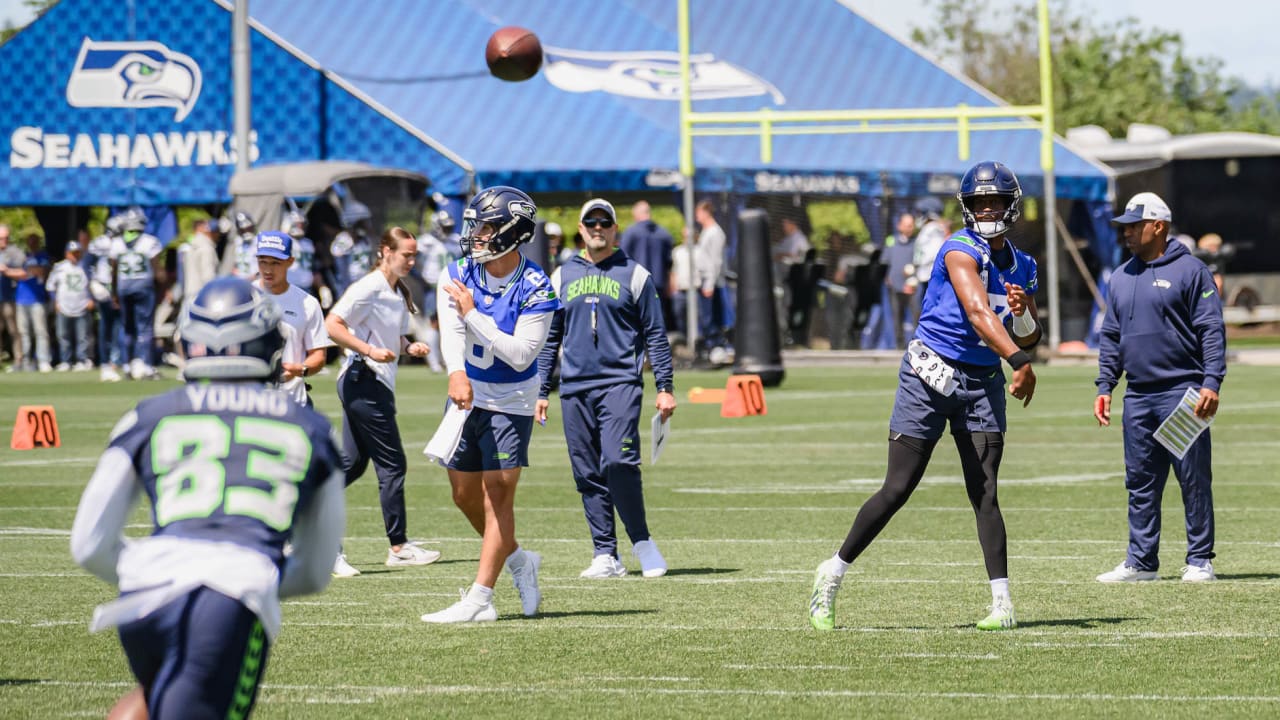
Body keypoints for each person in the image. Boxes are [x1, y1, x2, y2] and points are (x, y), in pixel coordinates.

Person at [70, 276, 346, 720]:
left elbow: (88, 544)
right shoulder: (311, 427)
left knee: (155, 699)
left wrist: (155, 565)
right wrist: (235, 574)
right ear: (269, 342)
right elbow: (315, 570)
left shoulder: (148, 415)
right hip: (229, 595)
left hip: (144, 591)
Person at [808, 160, 1039, 632]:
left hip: (981, 382)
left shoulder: (1024, 264)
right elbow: (977, 313)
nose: (987, 209)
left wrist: (1022, 315)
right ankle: (833, 571)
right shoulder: (959, 249)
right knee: (898, 487)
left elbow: (1031, 333)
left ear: (1011, 205)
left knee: (985, 490)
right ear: (967, 207)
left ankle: (1003, 604)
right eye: (979, 202)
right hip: (930, 374)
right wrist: (1018, 360)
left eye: (995, 201)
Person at [421, 185, 560, 623]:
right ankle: (519, 559)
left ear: (513, 231)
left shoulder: (536, 286)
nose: (477, 234)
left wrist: (473, 314)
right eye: (477, 226)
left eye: (487, 226)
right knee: (463, 495)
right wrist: (455, 372)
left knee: (496, 495)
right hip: (467, 392)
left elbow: (521, 355)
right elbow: (451, 332)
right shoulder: (458, 271)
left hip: (512, 398)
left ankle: (480, 599)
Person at [535, 198, 676, 579]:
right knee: (586, 471)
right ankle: (605, 553)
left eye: (604, 222)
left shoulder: (635, 274)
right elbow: (550, 337)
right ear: (581, 229)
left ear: (615, 229)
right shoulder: (562, 276)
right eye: (591, 222)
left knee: (618, 461)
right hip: (574, 387)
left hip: (620, 383)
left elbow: (655, 335)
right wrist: (541, 390)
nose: (598, 228)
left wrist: (665, 387)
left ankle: (643, 543)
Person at [1094, 192, 1226, 584]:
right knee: (1139, 482)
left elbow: (1211, 329)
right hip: (1137, 395)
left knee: (1193, 479)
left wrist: (1211, 381)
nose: (1127, 233)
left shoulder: (1192, 271)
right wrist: (1105, 385)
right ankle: (1141, 562)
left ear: (1158, 226)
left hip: (1183, 392)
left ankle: (1200, 560)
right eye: (1125, 227)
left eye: (1135, 226)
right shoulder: (1120, 276)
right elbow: (1111, 336)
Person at [325, 226, 438, 577]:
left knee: (353, 464)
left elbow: (393, 336)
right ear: (386, 252)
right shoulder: (369, 287)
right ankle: (399, 547)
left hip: (373, 383)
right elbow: (333, 324)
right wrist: (369, 350)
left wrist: (409, 347)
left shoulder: (394, 291)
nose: (412, 261)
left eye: (414, 255)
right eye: (406, 254)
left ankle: (304, 502)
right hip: (364, 381)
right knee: (393, 465)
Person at [255, 231, 332, 406]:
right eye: (262, 262)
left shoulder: (308, 303)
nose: (268, 270)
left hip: (293, 403)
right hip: (252, 403)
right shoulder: (244, 297)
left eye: (276, 263)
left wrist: (300, 370)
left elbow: (318, 356)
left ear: (290, 262)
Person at [110, 209, 164, 380]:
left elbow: (114, 271)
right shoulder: (149, 242)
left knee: (127, 328)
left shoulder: (117, 243)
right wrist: (163, 287)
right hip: (143, 287)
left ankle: (127, 365)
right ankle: (146, 366)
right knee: (145, 328)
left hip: (123, 288)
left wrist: (114, 293)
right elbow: (157, 270)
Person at [619, 200, 675, 329]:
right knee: (657, 320)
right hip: (658, 284)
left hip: (635, 284)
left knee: (636, 320)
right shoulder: (664, 234)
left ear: (636, 214)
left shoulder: (630, 232)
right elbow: (669, 262)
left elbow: (622, 259)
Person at [47, 240, 95, 371]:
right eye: (73, 253)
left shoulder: (86, 266)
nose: (75, 255)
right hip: (64, 306)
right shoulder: (59, 267)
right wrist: (55, 301)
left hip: (82, 305)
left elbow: (93, 284)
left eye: (77, 253)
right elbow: (50, 286)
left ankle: (82, 360)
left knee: (83, 336)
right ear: (67, 254)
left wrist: (91, 299)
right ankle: (65, 361)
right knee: (63, 336)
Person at [87, 216, 126, 381]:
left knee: (119, 326)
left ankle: (117, 361)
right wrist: (92, 284)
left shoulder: (122, 243)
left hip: (119, 285)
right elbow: (87, 265)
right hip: (103, 286)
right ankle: (106, 362)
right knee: (106, 326)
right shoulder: (100, 243)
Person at [694, 200, 730, 359]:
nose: (697, 217)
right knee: (705, 317)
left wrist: (709, 283)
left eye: (698, 213)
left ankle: (716, 347)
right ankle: (711, 346)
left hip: (711, 281)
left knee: (711, 317)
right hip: (704, 280)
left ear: (706, 212)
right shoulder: (706, 231)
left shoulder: (715, 232)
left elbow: (716, 261)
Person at [14, 233, 52, 373]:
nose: (32, 244)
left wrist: (23, 271)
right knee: (23, 332)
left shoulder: (43, 256)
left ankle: (43, 360)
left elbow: (41, 271)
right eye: (30, 241)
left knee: (40, 331)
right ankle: (26, 361)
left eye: (34, 241)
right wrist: (21, 272)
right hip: (21, 299)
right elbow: (14, 271)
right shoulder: (23, 256)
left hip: (37, 299)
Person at [883, 212, 918, 349]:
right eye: (907, 225)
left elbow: (920, 262)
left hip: (912, 287)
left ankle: (918, 345)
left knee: (916, 315)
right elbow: (885, 262)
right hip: (895, 286)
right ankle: (899, 346)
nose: (909, 228)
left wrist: (912, 280)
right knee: (897, 316)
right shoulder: (891, 241)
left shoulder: (917, 243)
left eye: (911, 225)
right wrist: (888, 278)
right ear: (899, 226)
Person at [330, 202, 376, 298]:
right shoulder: (343, 239)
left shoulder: (365, 240)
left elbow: (369, 263)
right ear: (353, 223)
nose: (366, 225)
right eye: (362, 223)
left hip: (365, 285)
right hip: (349, 288)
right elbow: (341, 266)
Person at [0, 224, 28, 371]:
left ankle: (19, 359)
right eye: (1, 238)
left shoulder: (15, 253)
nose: (3, 241)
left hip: (10, 298)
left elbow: (25, 273)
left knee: (14, 330)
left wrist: (7, 271)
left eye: (6, 238)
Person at [221, 211, 260, 281]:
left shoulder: (260, 241)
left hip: (255, 280)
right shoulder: (238, 242)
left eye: (248, 229)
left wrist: (256, 275)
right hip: (240, 280)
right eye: (243, 230)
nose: (246, 232)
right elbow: (237, 262)